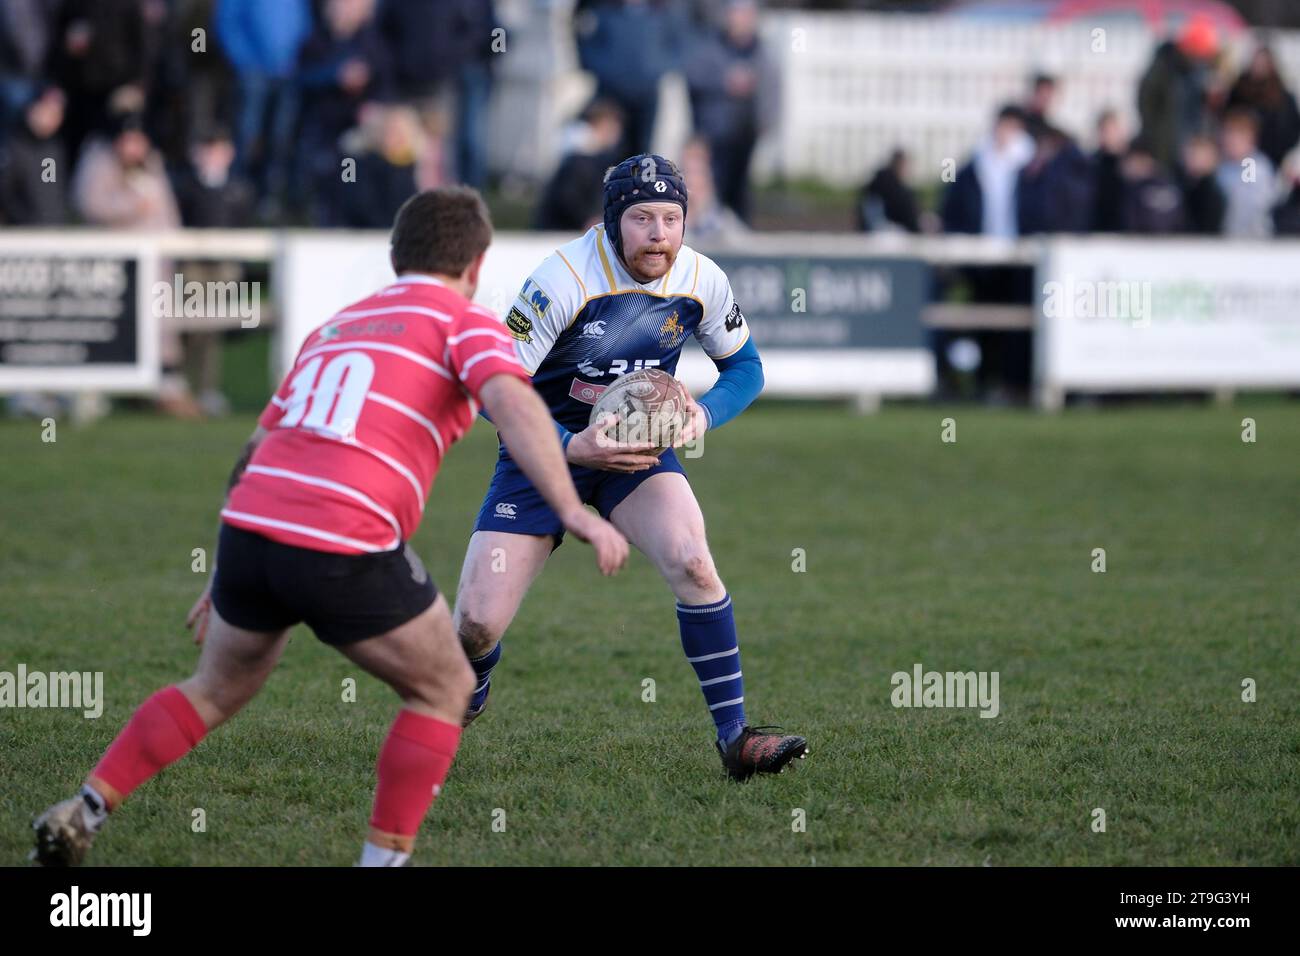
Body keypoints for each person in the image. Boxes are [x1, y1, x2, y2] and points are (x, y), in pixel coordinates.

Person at [31, 187, 629, 868]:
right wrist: (575, 508)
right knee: (443, 688)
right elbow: (516, 405)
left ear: (395, 256)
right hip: (342, 536)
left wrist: (227, 570)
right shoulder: (465, 320)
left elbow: (257, 449)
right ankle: (384, 862)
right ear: (477, 263)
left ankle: (84, 809)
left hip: (250, 531)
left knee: (215, 688)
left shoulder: (336, 327)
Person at [452, 154, 808, 781]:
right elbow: (492, 386)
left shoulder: (700, 278)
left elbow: (746, 368)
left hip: (638, 455)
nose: (659, 234)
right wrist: (568, 445)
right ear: (615, 221)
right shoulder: (561, 278)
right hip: (543, 451)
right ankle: (470, 687)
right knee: (476, 626)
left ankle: (735, 739)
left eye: (672, 219)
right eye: (643, 218)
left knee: (695, 563)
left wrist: (703, 415)